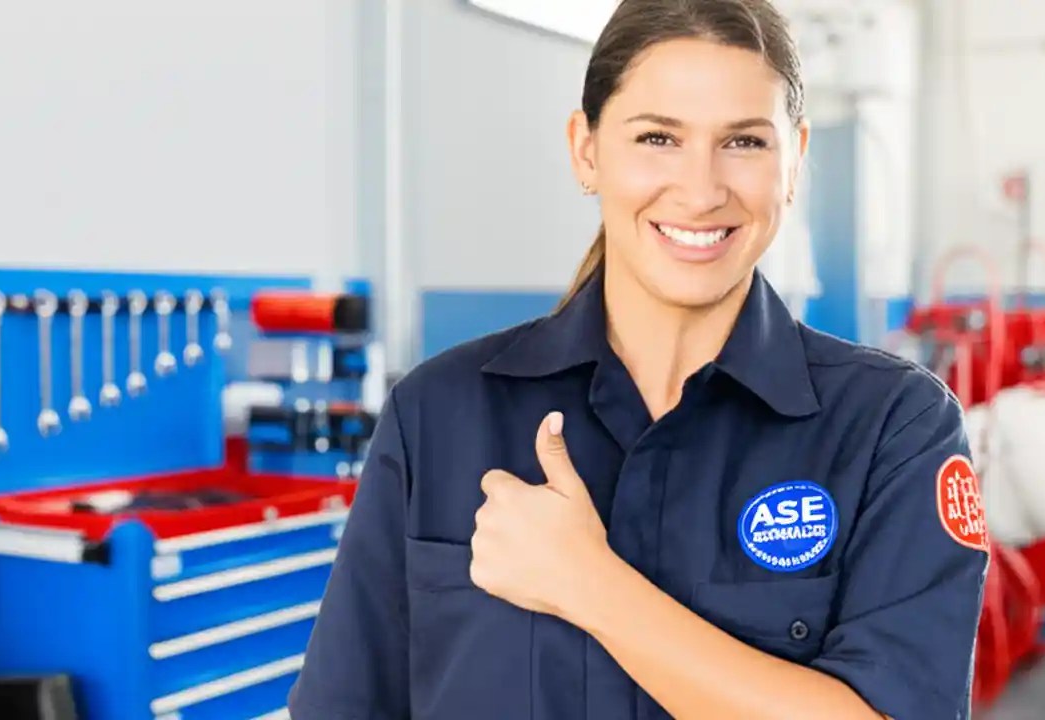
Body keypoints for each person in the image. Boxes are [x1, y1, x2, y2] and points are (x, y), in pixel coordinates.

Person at [288, 0, 989, 718]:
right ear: (585, 150)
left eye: (744, 143)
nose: (700, 189)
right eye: (658, 137)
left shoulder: (890, 429)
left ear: (794, 161)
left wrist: (589, 585)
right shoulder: (439, 416)